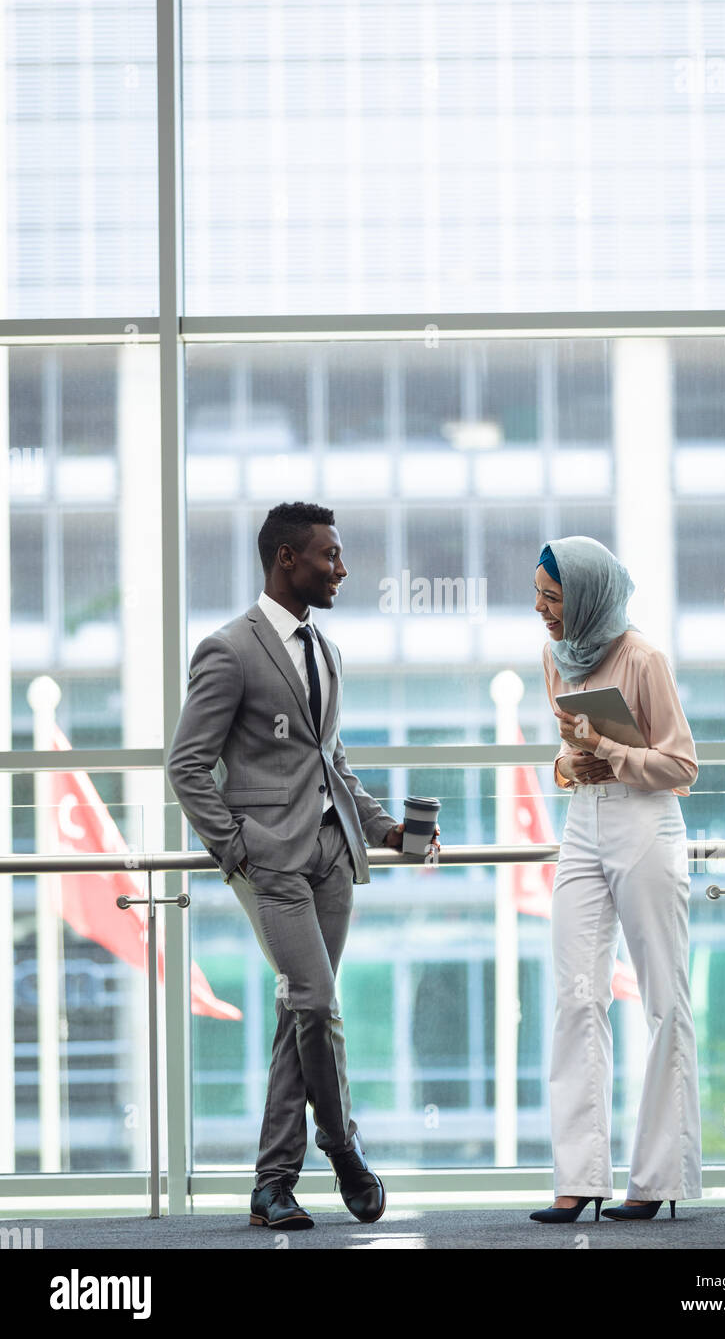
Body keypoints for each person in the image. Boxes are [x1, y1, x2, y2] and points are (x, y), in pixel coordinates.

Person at [167, 501, 438, 1231]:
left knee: (299, 1010)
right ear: (287, 558)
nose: (342, 569)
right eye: (330, 556)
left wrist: (382, 829)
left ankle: (273, 1184)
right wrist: (236, 848)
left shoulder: (325, 649)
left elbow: (332, 762)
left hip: (332, 858)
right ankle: (343, 1147)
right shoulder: (228, 649)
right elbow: (187, 766)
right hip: (273, 863)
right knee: (316, 1003)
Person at [528, 536, 702, 1224]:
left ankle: (657, 1179)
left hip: (645, 826)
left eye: (553, 599)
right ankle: (579, 1177)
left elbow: (682, 767)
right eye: (538, 598)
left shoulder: (644, 659)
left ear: (590, 596)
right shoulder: (554, 658)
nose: (542, 612)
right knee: (575, 997)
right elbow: (565, 757)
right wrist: (573, 765)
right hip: (582, 824)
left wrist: (606, 750)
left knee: (664, 1000)